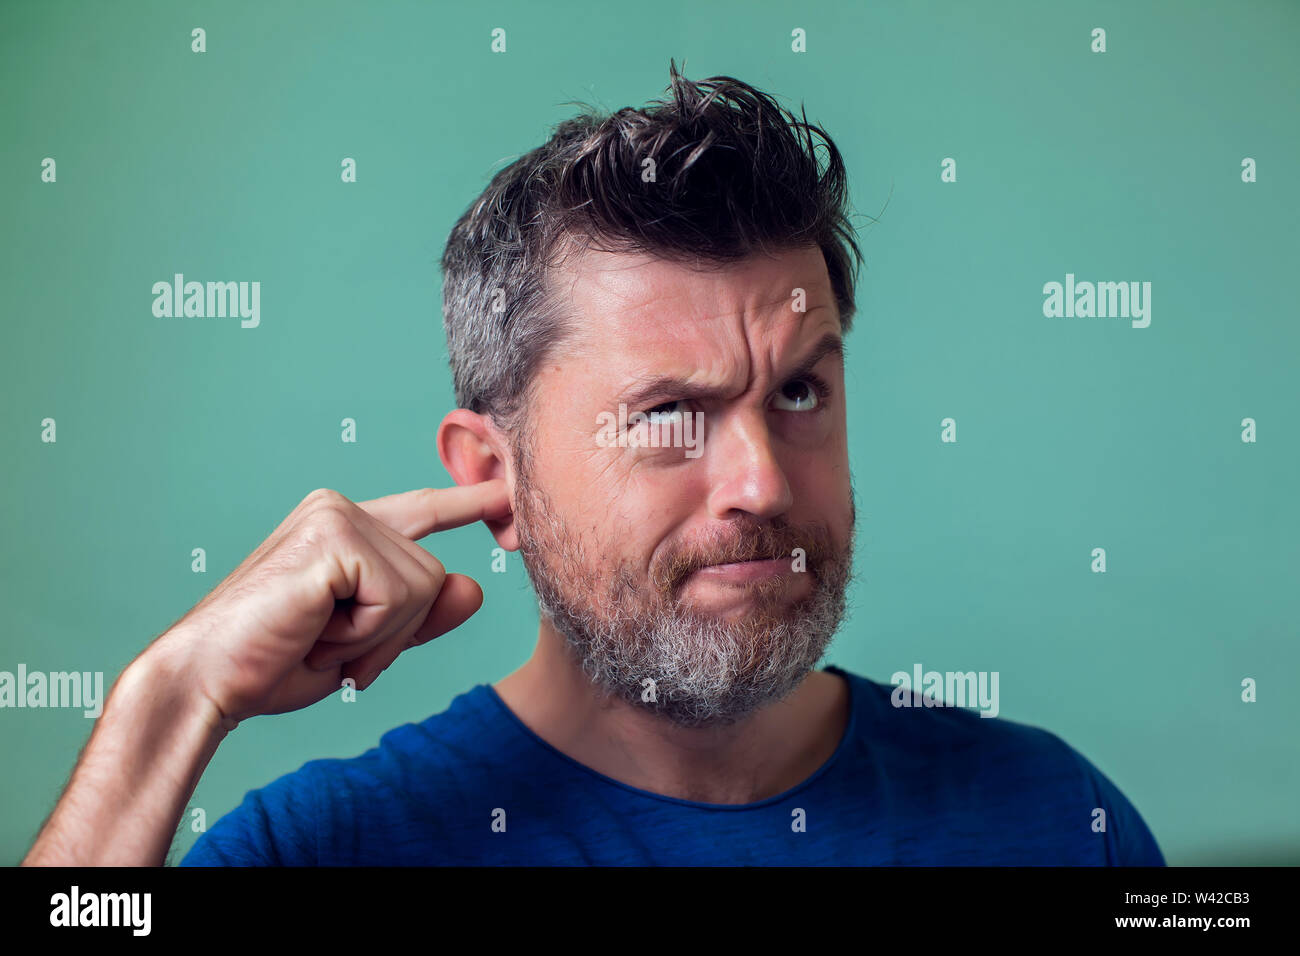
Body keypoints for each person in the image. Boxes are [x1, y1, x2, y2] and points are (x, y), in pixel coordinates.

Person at [23, 61, 1164, 866]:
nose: (762, 482)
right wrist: (165, 706)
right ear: (493, 475)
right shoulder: (325, 845)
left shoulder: (1057, 818)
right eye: (669, 413)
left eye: (800, 390)